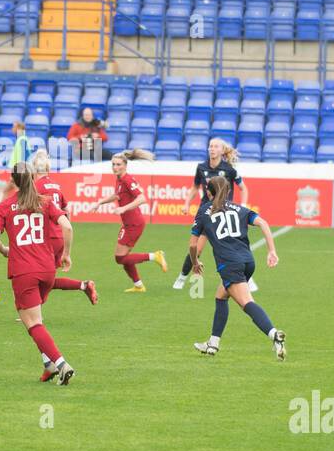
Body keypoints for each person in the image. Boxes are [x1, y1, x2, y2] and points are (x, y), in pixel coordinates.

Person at [0, 163, 77, 385]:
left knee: (33, 322)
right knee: (35, 321)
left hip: (23, 271)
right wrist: (66, 254)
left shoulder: (4, 207)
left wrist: (5, 250)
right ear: (33, 178)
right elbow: (68, 227)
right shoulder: (45, 202)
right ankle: (48, 365)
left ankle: (62, 365)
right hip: (47, 270)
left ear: (13, 180)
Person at [188, 175, 287, 361]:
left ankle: (274, 334)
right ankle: (213, 343)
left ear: (208, 192)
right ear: (227, 191)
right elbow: (264, 223)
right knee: (220, 296)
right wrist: (271, 251)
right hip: (248, 262)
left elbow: (193, 245)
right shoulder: (240, 209)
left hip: (229, 264)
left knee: (246, 303)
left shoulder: (203, 211)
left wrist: (194, 262)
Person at [173, 138, 252, 291]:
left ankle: (248, 279)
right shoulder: (201, 167)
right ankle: (182, 277)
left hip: (225, 214)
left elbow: (244, 188)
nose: (212, 149)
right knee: (197, 248)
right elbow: (195, 187)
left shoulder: (229, 169)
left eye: (216, 146)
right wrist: (186, 203)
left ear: (222, 151)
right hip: (208, 213)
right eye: (210, 146)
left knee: (234, 247)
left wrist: (242, 206)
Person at [85, 148, 167, 292]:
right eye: (113, 164)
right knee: (123, 257)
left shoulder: (128, 179)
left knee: (120, 258)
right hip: (129, 223)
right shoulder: (120, 179)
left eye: (118, 165)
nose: (115, 167)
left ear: (125, 165)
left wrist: (124, 208)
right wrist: (99, 202)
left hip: (134, 223)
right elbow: (117, 195)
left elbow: (142, 198)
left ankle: (155, 256)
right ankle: (138, 285)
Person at [30, 148, 99, 309]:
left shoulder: (36, 187)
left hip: (45, 238)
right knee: (47, 277)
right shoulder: (56, 186)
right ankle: (84, 285)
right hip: (59, 237)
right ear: (48, 169)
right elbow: (67, 211)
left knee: (35, 275)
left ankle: (34, 311)